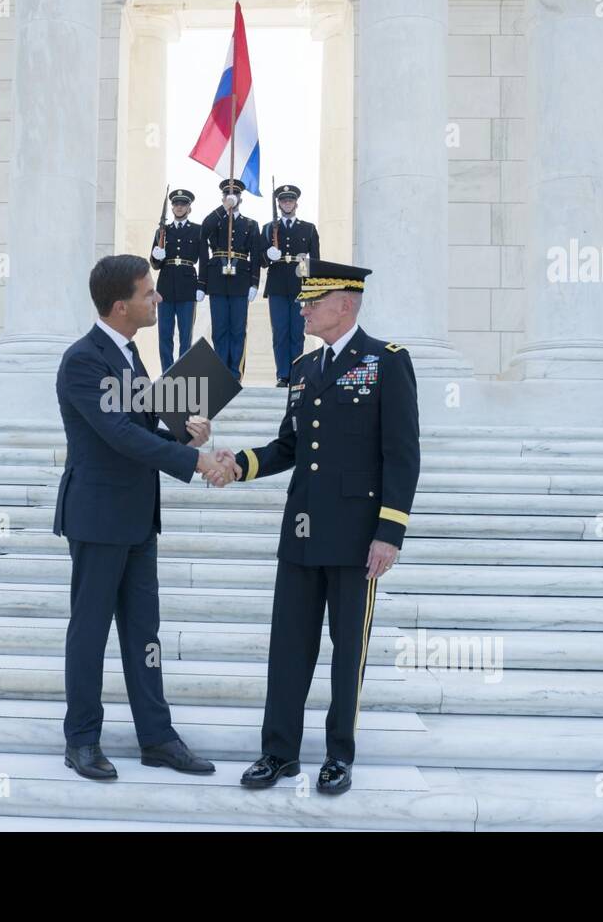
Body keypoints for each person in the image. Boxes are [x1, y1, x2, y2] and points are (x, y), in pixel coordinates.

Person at [213, 259, 421, 795]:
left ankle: (338, 755)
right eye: (303, 301)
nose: (302, 308)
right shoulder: (304, 369)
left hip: (357, 537)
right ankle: (277, 752)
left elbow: (402, 455)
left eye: (313, 301)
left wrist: (389, 532)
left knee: (347, 649)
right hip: (301, 531)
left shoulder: (386, 361)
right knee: (289, 646)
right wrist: (239, 463)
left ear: (345, 305)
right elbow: (289, 447)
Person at [53, 254, 237, 780]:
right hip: (97, 517)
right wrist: (195, 460)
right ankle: (82, 739)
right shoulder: (84, 361)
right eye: (149, 292)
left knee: (145, 635)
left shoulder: (131, 355)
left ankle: (157, 737)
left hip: (137, 518)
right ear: (120, 305)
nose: (158, 299)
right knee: (89, 633)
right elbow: (118, 435)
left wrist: (184, 436)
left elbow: (140, 432)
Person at [199, 178, 261, 381]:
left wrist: (254, 282)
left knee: (237, 329)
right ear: (224, 197)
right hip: (217, 280)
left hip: (240, 281)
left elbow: (256, 255)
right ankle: (220, 372)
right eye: (227, 195)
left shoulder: (251, 224)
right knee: (219, 329)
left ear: (241, 198)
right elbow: (203, 231)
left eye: (235, 195)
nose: (232, 197)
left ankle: (235, 373)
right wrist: (223, 208)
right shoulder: (216, 220)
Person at [259, 184, 319, 387]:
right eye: (284, 201)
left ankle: (296, 373)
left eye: (290, 200)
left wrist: (312, 289)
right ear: (279, 204)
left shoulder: (308, 228)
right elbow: (261, 260)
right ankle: (282, 375)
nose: (287, 203)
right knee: (280, 332)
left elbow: (315, 261)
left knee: (297, 331)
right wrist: (268, 255)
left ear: (296, 203)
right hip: (276, 284)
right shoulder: (268, 228)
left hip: (298, 285)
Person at [150, 189, 203, 371]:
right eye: (176, 204)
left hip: (188, 286)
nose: (179, 207)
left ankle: (183, 371)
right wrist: (157, 256)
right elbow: (155, 264)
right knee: (165, 333)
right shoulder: (162, 231)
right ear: (172, 208)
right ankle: (167, 371)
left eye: (183, 204)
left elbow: (203, 258)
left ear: (189, 208)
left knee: (185, 334)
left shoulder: (197, 230)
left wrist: (202, 285)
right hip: (165, 285)